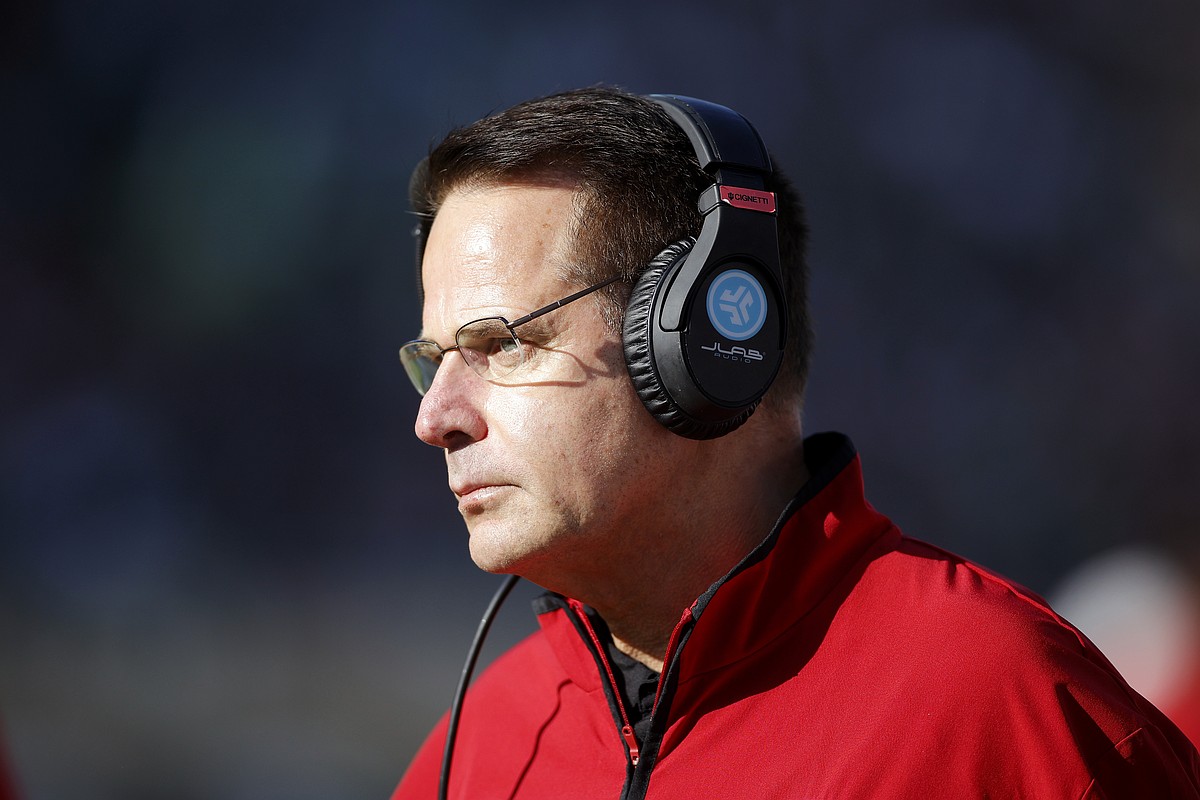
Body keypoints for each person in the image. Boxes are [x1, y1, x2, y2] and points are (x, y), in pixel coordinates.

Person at [392, 87, 1200, 799]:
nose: (436, 418)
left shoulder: (1012, 711)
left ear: (702, 345)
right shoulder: (474, 750)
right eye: (434, 360)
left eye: (499, 343)